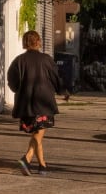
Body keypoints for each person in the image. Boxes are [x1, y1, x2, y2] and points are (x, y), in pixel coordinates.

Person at [7, 30, 69, 176]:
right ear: (38, 42)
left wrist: (18, 90)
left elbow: (12, 80)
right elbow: (55, 77)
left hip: (26, 104)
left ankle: (42, 166)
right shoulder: (46, 59)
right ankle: (27, 159)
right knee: (39, 133)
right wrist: (63, 91)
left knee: (37, 133)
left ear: (25, 43)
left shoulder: (19, 60)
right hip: (43, 103)